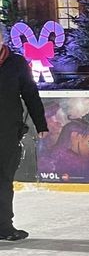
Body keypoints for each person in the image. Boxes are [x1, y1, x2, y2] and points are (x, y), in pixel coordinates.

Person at [1, 24, 49, 242]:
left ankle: (4, 227)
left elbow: (30, 94)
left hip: (7, 132)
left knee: (3, 180)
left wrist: (41, 124)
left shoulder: (17, 63)